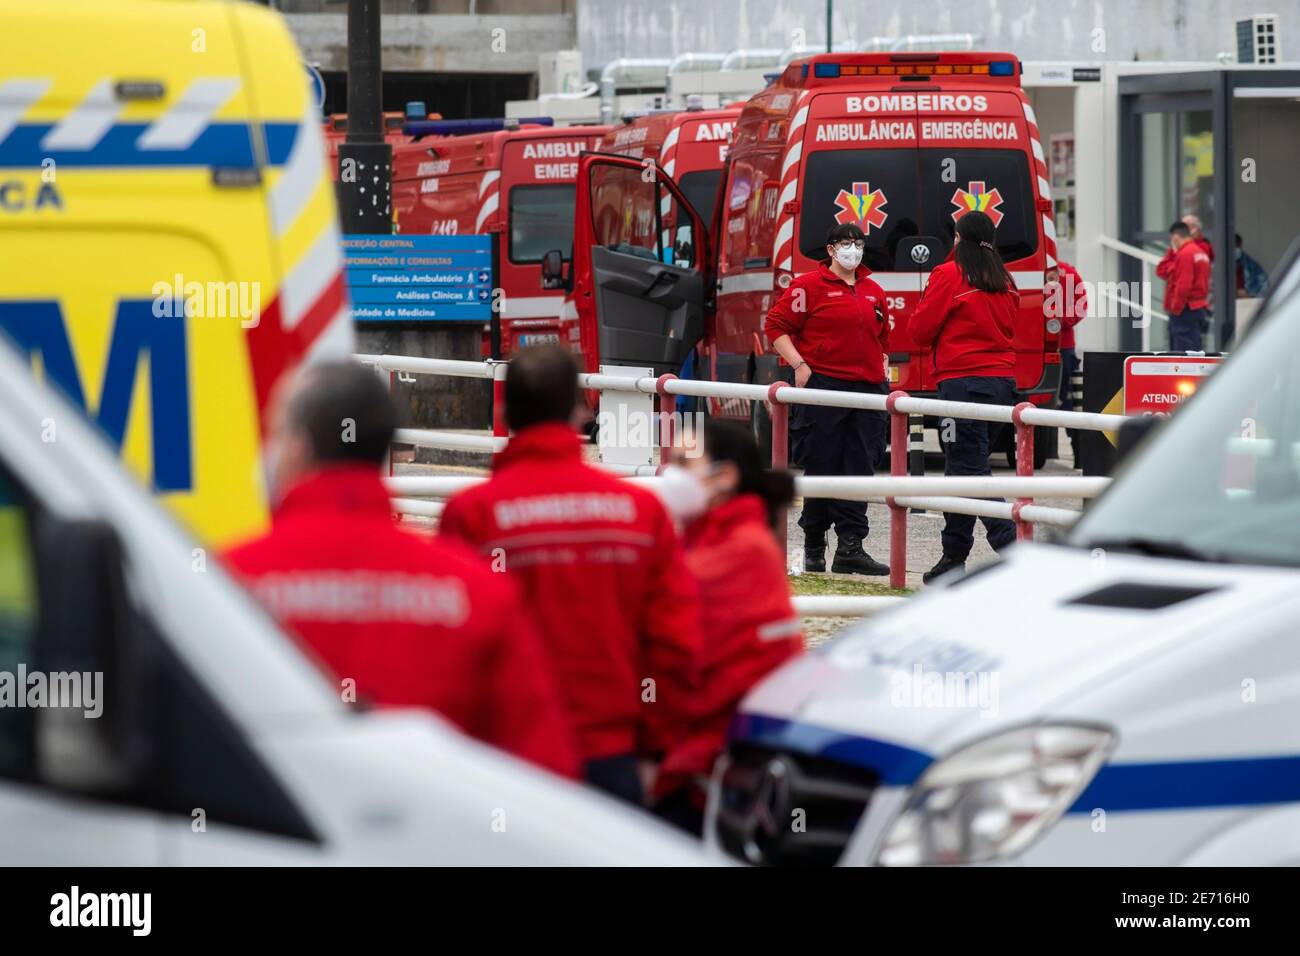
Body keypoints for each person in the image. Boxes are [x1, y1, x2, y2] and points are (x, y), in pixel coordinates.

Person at [224, 361, 578, 778]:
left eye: (276, 433)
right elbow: (546, 771)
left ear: (298, 447)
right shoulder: (480, 594)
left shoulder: (226, 586)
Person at [438, 344, 699, 807]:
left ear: (506, 410)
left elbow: (451, 649)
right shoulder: (639, 512)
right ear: (580, 410)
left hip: (505, 760)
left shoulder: (472, 516)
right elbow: (674, 642)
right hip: (612, 753)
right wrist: (656, 747)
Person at [651, 420, 804, 834]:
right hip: (705, 753)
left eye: (684, 462)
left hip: (712, 761)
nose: (671, 473)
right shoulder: (708, 539)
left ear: (725, 477)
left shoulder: (740, 549)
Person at [762, 221, 890, 576]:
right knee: (822, 463)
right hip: (823, 386)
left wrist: (883, 373)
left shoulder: (873, 290)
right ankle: (814, 546)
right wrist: (800, 365)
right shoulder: (808, 287)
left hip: (867, 390)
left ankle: (851, 546)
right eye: (846, 243)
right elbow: (776, 327)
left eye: (859, 243)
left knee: (859, 467)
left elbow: (883, 339)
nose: (854, 249)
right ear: (831, 250)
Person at [909, 210, 1019, 584]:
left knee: (970, 474)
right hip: (1001, 385)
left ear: (958, 238)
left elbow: (920, 330)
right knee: (963, 469)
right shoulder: (1003, 278)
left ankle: (1016, 551)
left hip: (961, 385)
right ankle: (952, 557)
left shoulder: (949, 274)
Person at [1156, 221, 1211, 352]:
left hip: (1185, 309)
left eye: (1172, 240)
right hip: (1198, 307)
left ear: (1175, 237)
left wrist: (1175, 308)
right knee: (1195, 350)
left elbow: (1183, 285)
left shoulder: (1185, 254)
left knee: (1183, 353)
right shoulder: (1200, 253)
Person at [1235, 233, 1269, 298]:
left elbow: (1264, 285)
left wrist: (1250, 294)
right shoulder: (1218, 264)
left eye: (1237, 246)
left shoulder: (1250, 264)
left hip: (1245, 302)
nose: (1235, 249)